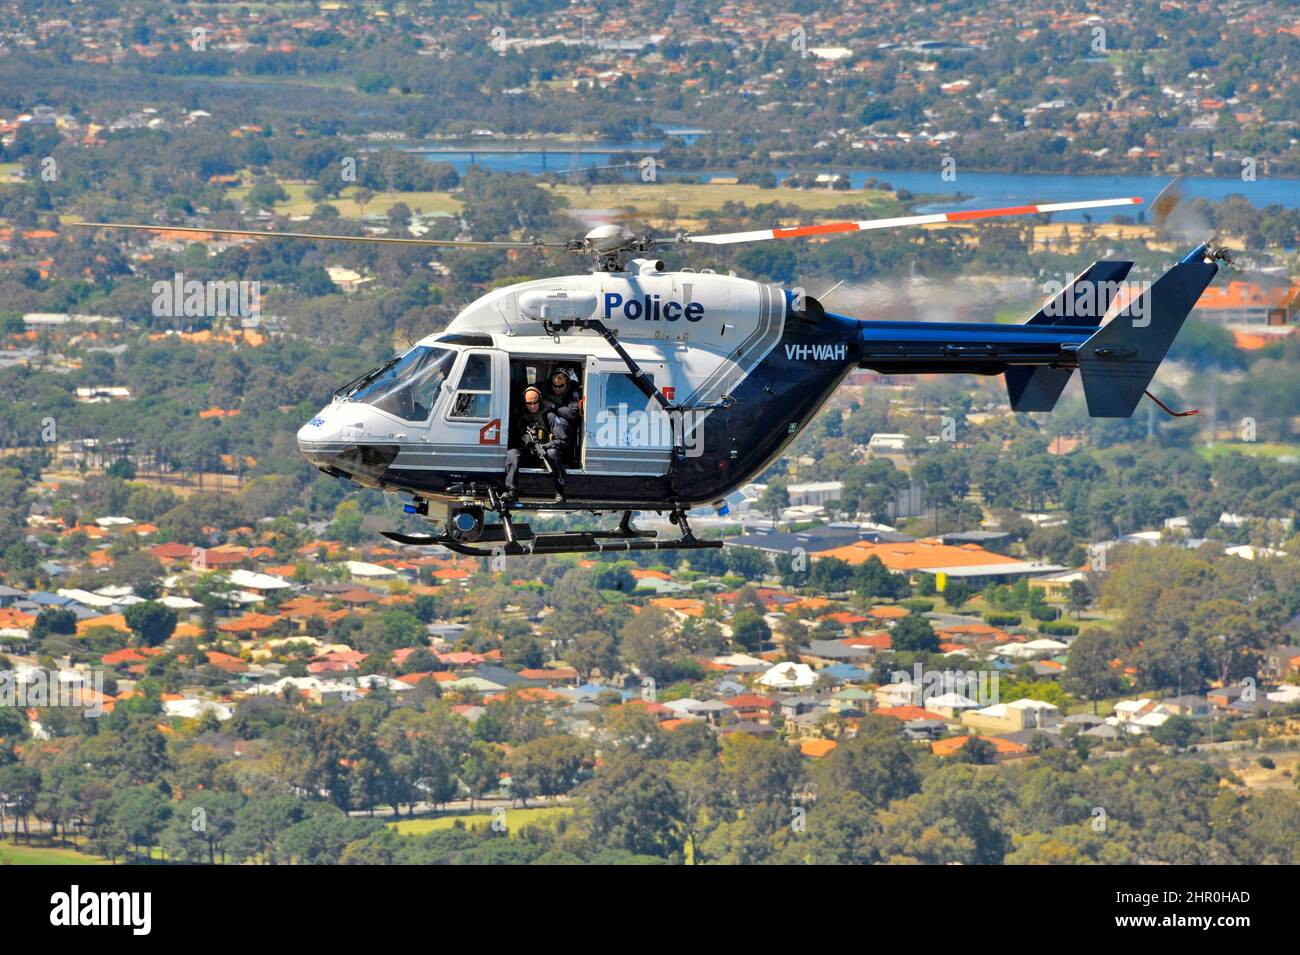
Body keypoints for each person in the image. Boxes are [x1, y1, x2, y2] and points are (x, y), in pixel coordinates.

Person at [503, 386, 566, 504]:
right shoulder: (518, 417)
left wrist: (545, 446)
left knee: (553, 453)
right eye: (529, 403)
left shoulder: (549, 417)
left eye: (535, 402)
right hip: (527, 454)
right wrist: (524, 440)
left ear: (540, 400)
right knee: (512, 453)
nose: (532, 406)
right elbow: (511, 440)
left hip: (543, 455)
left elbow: (562, 440)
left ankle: (559, 492)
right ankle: (511, 491)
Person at [543, 366, 583, 453]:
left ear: (567, 383)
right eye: (554, 385)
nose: (557, 389)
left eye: (561, 386)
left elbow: (572, 414)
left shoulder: (573, 392)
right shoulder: (546, 388)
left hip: (566, 431)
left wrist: (553, 406)